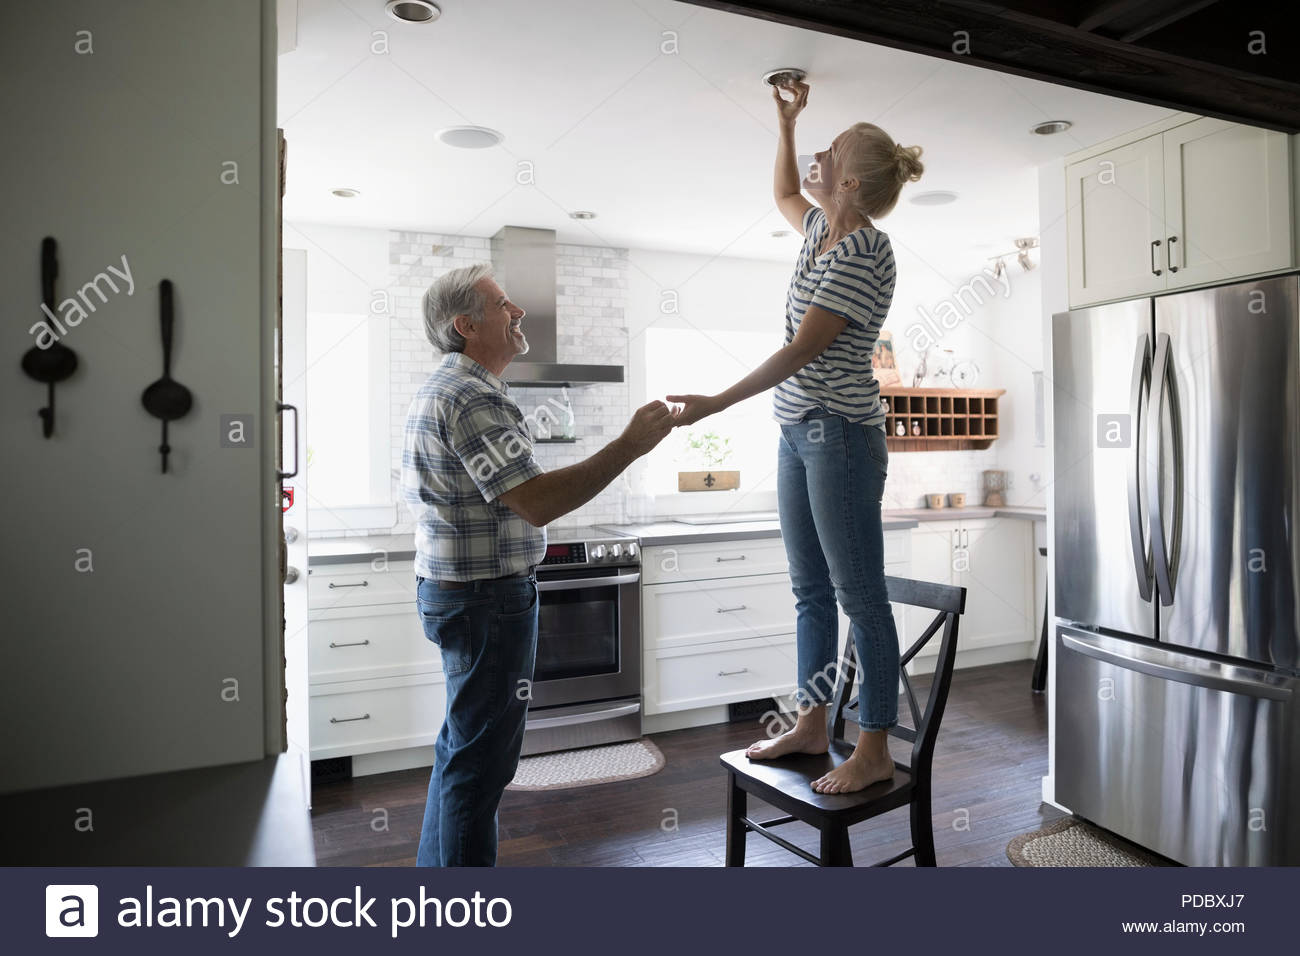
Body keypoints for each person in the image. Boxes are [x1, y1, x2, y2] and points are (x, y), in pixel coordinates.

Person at [669, 79, 924, 794]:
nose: (818, 151)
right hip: (797, 432)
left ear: (847, 179)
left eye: (829, 146)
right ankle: (814, 724)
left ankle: (872, 746)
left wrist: (716, 402)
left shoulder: (865, 251)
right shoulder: (821, 228)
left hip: (840, 436)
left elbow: (800, 351)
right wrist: (786, 124)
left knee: (860, 596)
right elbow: (785, 194)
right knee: (810, 590)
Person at [403, 263, 674, 865]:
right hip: (486, 600)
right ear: (466, 325)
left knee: (461, 752)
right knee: (480, 768)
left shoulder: (454, 386)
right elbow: (538, 501)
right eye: (504, 305)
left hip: (462, 593)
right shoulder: (471, 396)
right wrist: (629, 444)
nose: (518, 312)